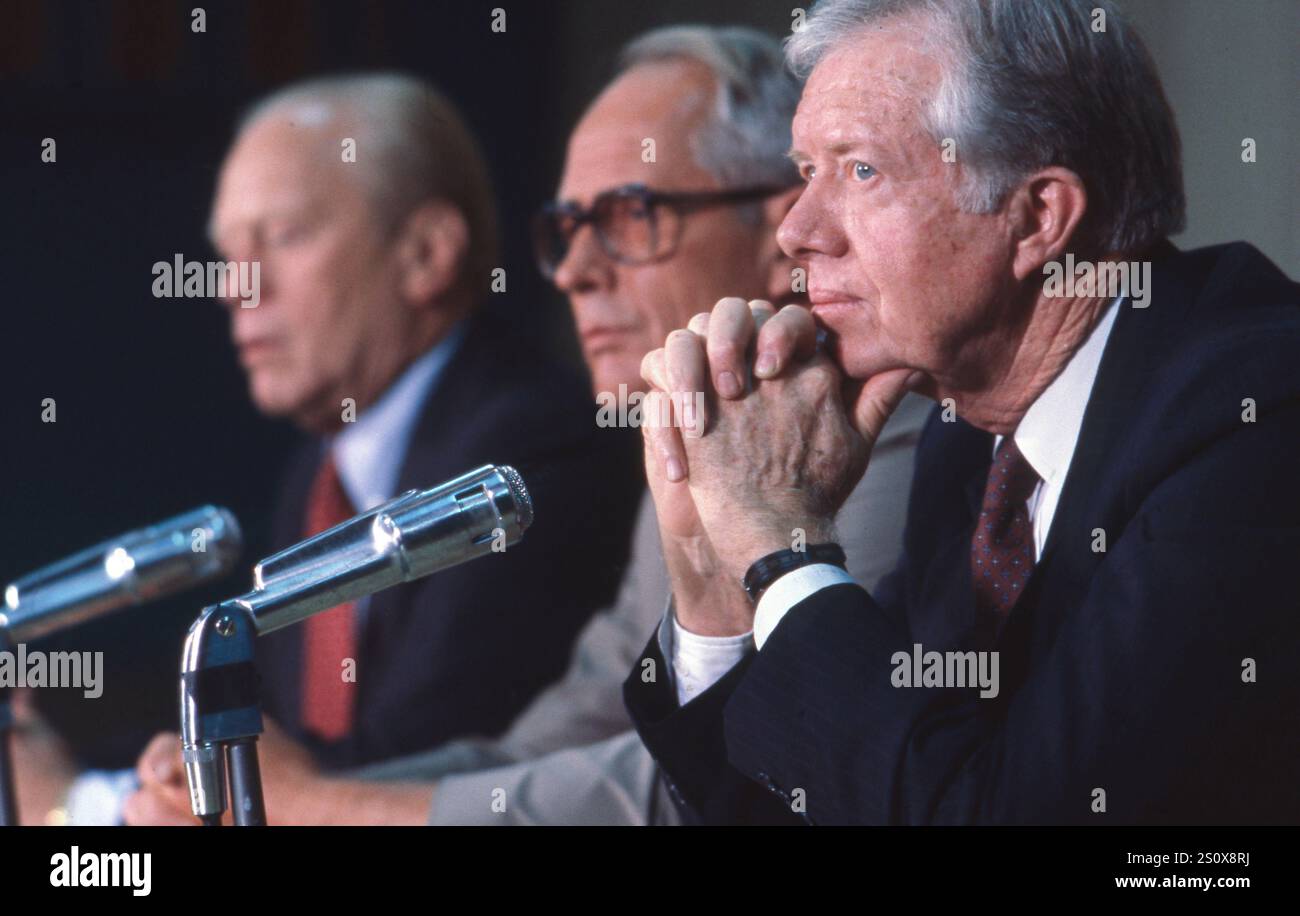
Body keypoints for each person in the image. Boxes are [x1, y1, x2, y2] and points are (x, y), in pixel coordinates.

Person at [124, 26, 928, 825]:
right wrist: (268, 805)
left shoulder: (870, 427)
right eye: (568, 228)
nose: (577, 270)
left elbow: (692, 788)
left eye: (631, 214)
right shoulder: (691, 447)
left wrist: (318, 808)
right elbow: (552, 748)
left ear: (779, 233)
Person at [626, 0, 1300, 824]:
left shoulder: (1259, 414)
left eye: (861, 170)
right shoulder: (968, 442)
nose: (797, 232)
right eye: (807, 172)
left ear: (1038, 217)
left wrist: (778, 547)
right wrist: (714, 577)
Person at [107, 73, 642, 826]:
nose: (236, 286)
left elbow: (401, 767)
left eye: (283, 237)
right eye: (228, 251)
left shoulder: (528, 453)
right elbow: (280, 743)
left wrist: (85, 803)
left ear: (425, 253)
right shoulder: (321, 474)